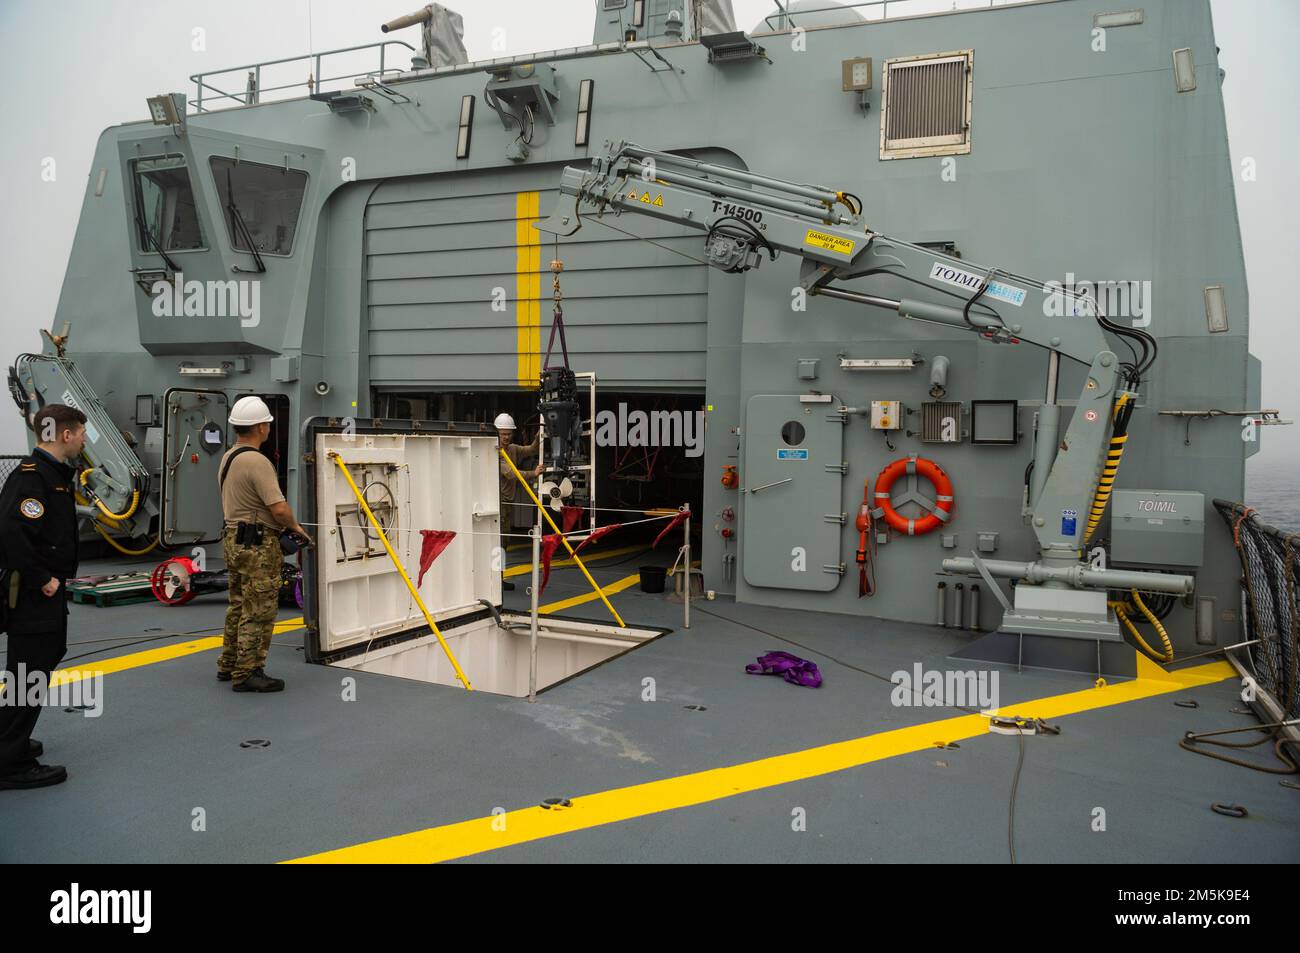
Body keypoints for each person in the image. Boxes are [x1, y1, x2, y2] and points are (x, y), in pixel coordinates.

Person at [0, 404, 86, 790]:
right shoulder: (33, 478)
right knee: (28, 671)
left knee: (35, 665)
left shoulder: (50, 475)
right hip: (35, 594)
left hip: (43, 591)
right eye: (81, 432)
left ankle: (9, 741)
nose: (84, 439)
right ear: (65, 435)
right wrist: (43, 579)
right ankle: (9, 763)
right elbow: (12, 534)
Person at [217, 396, 312, 692]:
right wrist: (297, 529)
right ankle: (247, 673)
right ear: (260, 427)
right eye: (268, 424)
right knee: (259, 608)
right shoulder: (257, 461)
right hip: (258, 547)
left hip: (234, 540)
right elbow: (279, 508)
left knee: (237, 604)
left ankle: (229, 663)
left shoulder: (229, 456)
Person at [495, 412, 542, 592]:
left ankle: (498, 578)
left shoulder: (512, 448)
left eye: (509, 434)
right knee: (499, 542)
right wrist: (533, 474)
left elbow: (531, 450)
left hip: (507, 502)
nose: (506, 437)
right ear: (497, 433)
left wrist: (539, 435)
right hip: (499, 502)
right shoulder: (495, 452)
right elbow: (510, 473)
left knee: (503, 542)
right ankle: (495, 580)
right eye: (503, 434)